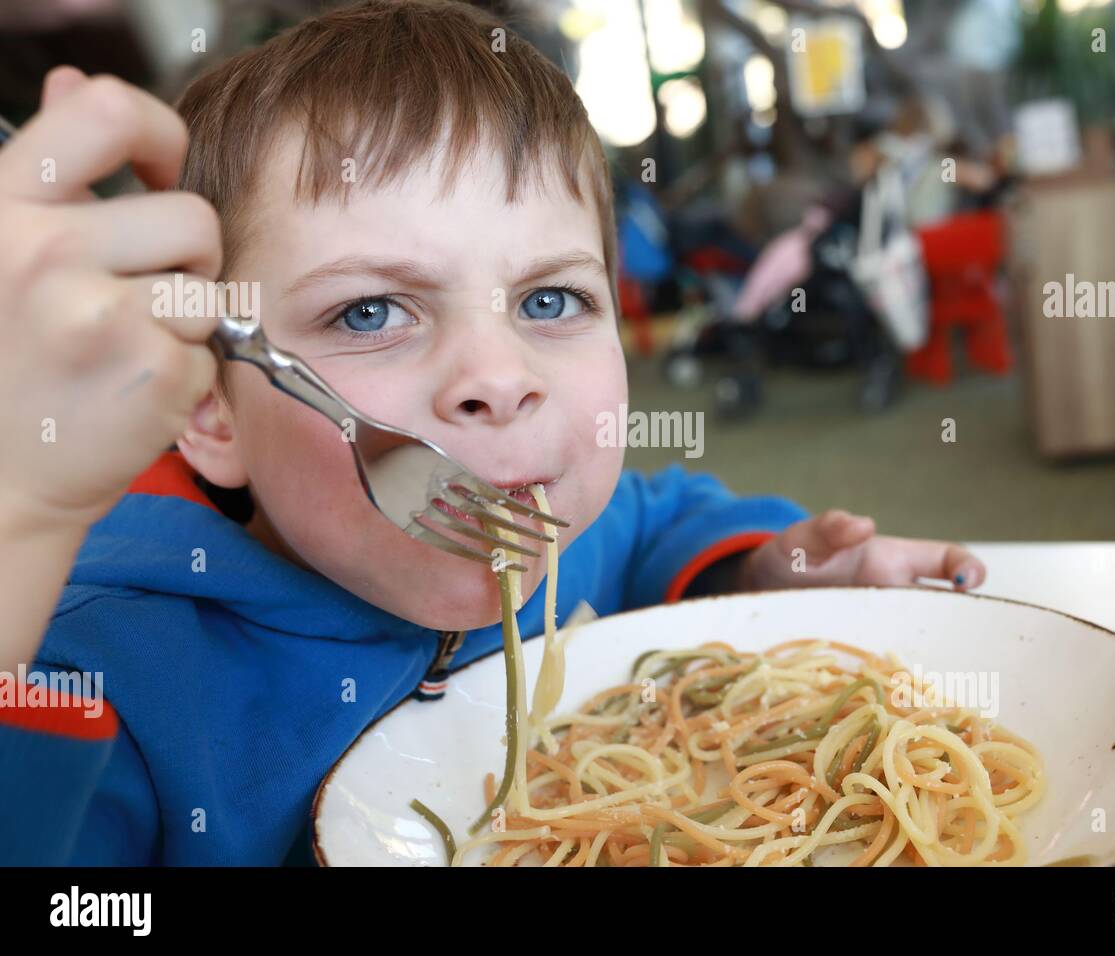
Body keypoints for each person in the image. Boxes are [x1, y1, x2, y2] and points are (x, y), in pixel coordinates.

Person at [0, 0, 986, 865]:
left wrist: (759, 574)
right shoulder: (96, 668)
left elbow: (655, 520)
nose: (498, 379)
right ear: (211, 407)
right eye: (372, 311)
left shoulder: (551, 529)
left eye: (550, 297)